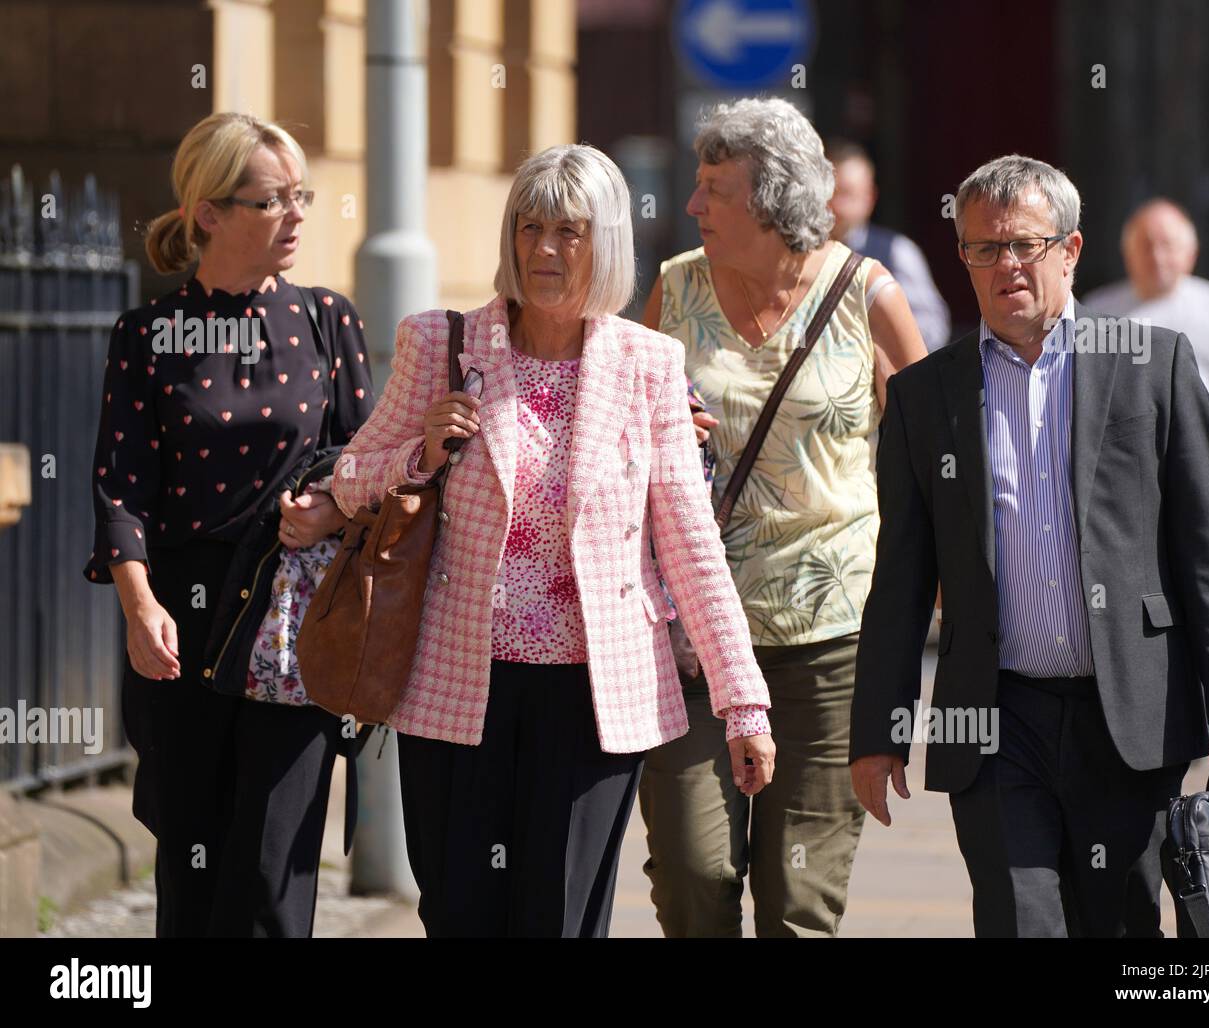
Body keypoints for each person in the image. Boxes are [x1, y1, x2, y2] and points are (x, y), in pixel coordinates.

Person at [330, 143, 774, 939]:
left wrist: (743, 703)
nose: (543, 249)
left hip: (590, 697)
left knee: (559, 921)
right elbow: (352, 481)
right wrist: (420, 454)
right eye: (529, 227)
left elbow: (690, 543)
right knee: (462, 915)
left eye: (569, 231)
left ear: (604, 242)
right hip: (458, 688)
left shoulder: (648, 364)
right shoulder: (444, 345)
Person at [850, 154, 1209, 937]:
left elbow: (1204, 546)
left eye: (1024, 246)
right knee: (1019, 921)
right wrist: (880, 731)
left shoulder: (1153, 365)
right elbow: (901, 577)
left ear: (1068, 252)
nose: (1005, 265)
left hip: (1130, 712)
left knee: (1123, 924)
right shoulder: (923, 397)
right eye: (983, 249)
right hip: (998, 717)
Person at [640, 98, 927, 937]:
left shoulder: (865, 294)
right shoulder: (674, 288)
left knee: (799, 898)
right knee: (695, 871)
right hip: (696, 633)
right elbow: (613, 426)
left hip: (831, 636)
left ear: (771, 202)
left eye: (712, 188)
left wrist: (936, 590)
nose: (692, 205)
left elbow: (933, 459)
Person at [84, 112, 375, 936]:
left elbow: (365, 461)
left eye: (301, 196)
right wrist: (139, 607)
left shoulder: (327, 320)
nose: (297, 216)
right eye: (273, 200)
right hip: (184, 621)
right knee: (194, 865)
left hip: (291, 621)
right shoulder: (147, 337)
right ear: (209, 213)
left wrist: (331, 508)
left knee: (274, 875)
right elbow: (120, 486)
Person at [1084, 198, 1209, 533]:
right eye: (1145, 246)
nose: (1157, 257)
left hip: (1199, 481)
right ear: (1127, 252)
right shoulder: (1095, 312)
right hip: (1116, 490)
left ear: (1191, 254)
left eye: (1168, 246)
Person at [829, 140, 951, 351]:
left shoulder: (897, 252)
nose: (836, 205)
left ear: (870, 198)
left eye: (847, 194)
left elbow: (932, 328)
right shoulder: (799, 252)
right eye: (829, 193)